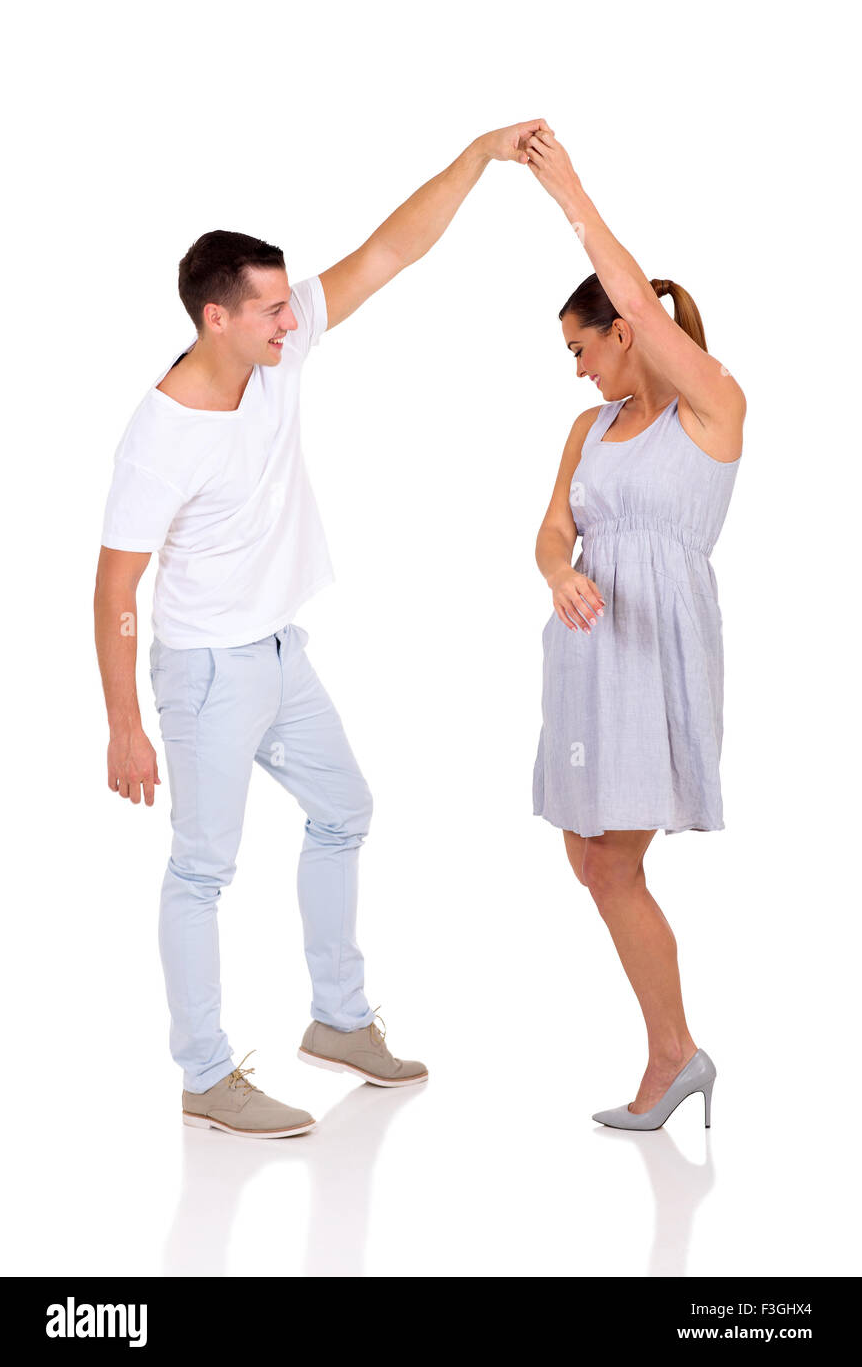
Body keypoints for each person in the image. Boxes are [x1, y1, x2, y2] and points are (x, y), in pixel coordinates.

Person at [93, 120, 551, 1140]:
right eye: (266, 310)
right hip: (205, 674)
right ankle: (205, 1076)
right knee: (202, 870)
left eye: (284, 303)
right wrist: (126, 722)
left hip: (279, 654)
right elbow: (113, 589)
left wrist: (476, 159)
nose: (287, 321)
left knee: (344, 810)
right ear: (216, 318)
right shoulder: (160, 437)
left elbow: (389, 251)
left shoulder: (277, 354)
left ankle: (337, 1020)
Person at [525, 129, 744, 1131]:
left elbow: (622, 283)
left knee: (611, 860)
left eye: (582, 346)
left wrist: (567, 189)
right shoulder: (585, 429)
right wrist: (559, 571)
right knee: (587, 855)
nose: (575, 371)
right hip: (584, 659)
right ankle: (673, 1051)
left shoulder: (709, 405)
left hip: (655, 652)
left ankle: (672, 1056)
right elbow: (548, 531)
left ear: (626, 330)